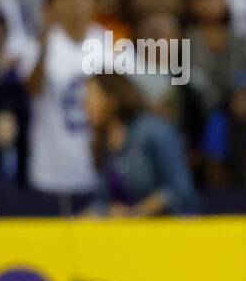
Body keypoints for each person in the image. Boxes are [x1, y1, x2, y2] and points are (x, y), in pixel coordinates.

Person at [25, 0, 100, 206]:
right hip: (47, 175)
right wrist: (45, 44)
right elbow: (30, 90)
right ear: (52, 3)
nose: (75, 3)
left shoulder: (111, 45)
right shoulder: (38, 46)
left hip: (95, 176)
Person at [84, 71, 198, 216]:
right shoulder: (105, 144)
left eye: (90, 97)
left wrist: (136, 213)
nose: (85, 105)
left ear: (111, 100)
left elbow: (181, 190)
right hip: (131, 233)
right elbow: (103, 200)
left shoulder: (153, 131)